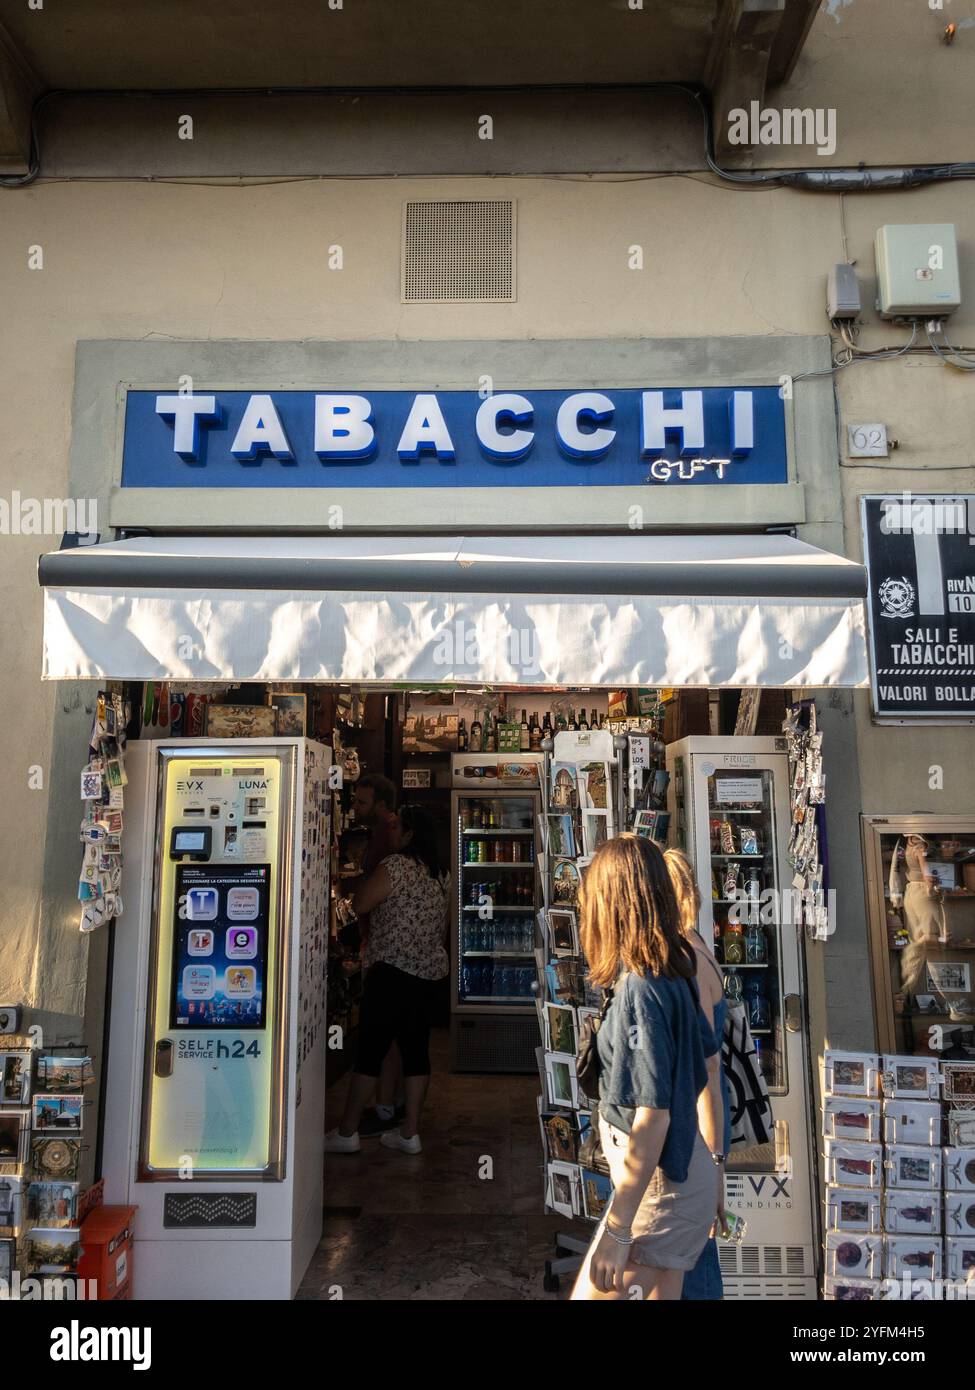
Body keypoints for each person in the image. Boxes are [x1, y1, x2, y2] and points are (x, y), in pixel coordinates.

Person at [570, 835, 725, 1301]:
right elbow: (704, 1072)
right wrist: (713, 1172)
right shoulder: (673, 970)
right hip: (681, 1182)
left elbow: (653, 1115)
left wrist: (617, 1231)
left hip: (660, 1195)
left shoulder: (641, 986)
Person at [325, 804, 449, 1156]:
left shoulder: (394, 867)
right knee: (416, 1053)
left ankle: (347, 1131)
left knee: (370, 1051)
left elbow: (361, 904)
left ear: (410, 833)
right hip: (427, 973)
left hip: (391, 972)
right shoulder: (441, 873)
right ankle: (410, 1132)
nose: (389, 831)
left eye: (397, 826)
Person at [665, 847, 732, 1300]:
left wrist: (715, 1162)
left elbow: (707, 1069)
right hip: (700, 1124)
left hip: (698, 1127)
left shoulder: (686, 957)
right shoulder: (699, 945)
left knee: (695, 1247)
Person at [350, 773, 403, 1134]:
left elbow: (369, 897)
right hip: (395, 951)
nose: (355, 806)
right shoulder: (387, 832)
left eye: (362, 802)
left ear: (381, 805)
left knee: (380, 1036)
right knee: (398, 1035)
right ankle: (391, 1102)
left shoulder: (386, 836)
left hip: (384, 946)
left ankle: (381, 1107)